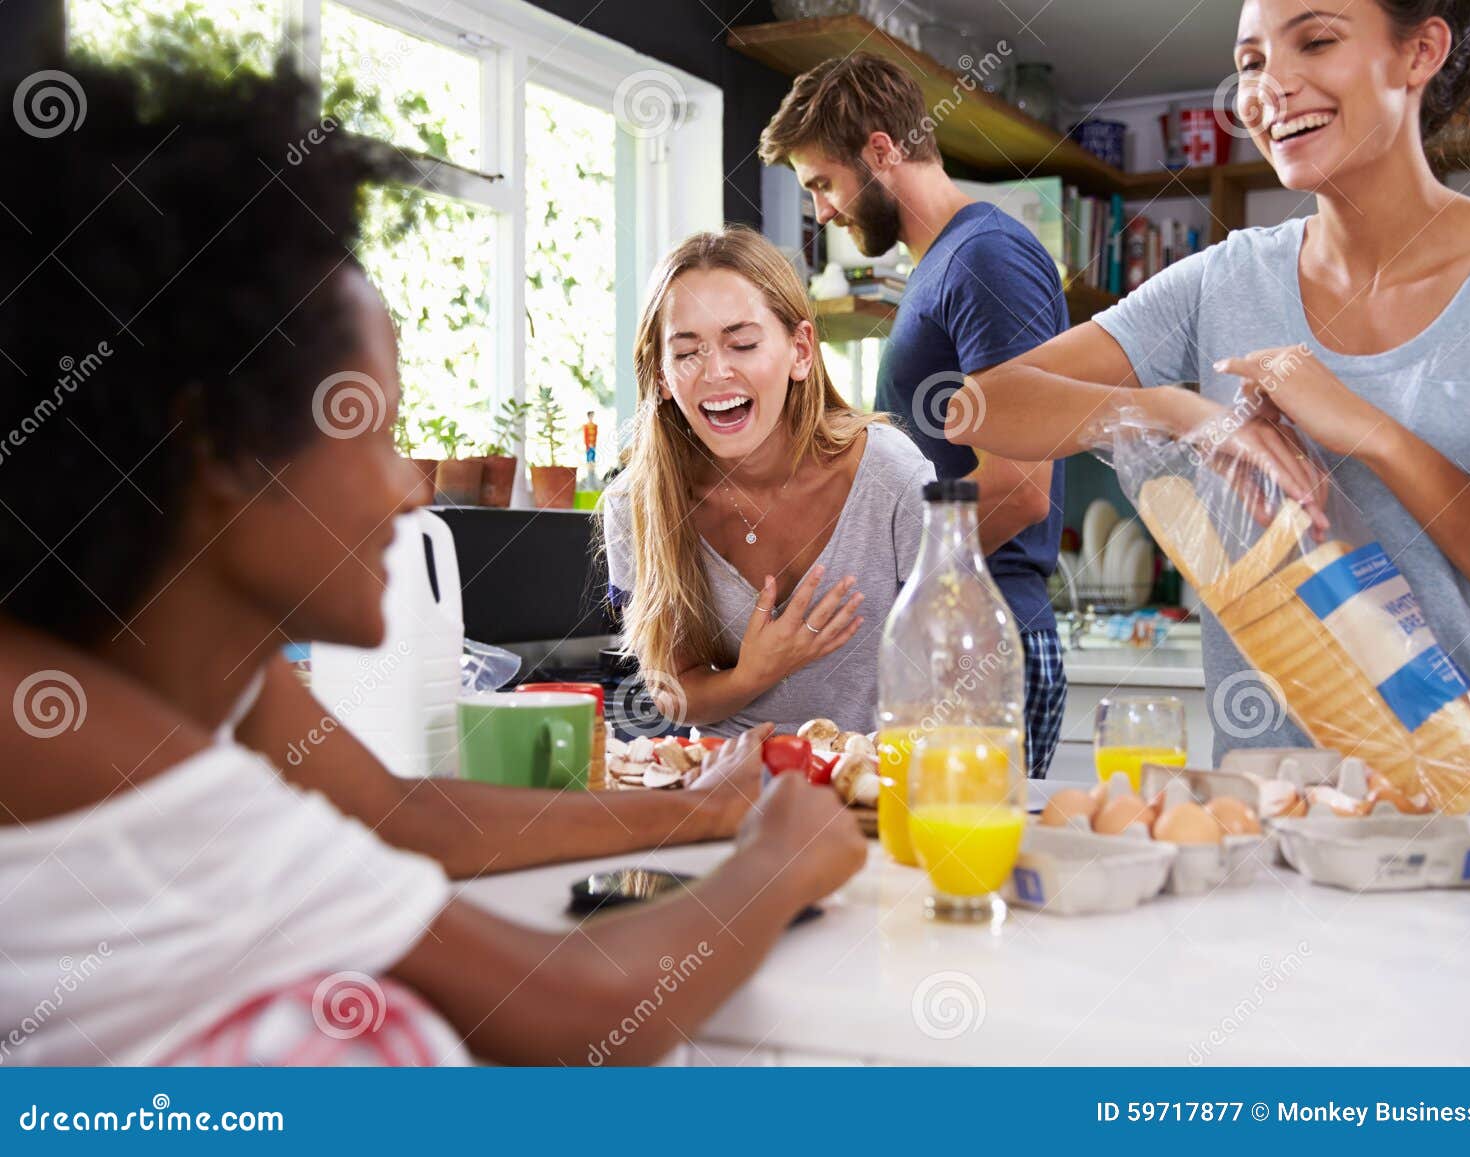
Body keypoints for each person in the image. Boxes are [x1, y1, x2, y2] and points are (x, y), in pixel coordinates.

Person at [0, 55, 865, 1065]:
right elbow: (569, 1008)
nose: (409, 489)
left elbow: (399, 811)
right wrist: (772, 862)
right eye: (373, 433)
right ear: (225, 446)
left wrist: (703, 806)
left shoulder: (173, 669)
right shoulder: (90, 747)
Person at [940, 0, 1470, 761]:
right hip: (1278, 809)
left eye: (1315, 41)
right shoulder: (1222, 283)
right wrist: (1179, 412)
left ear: (1420, 53)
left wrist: (1372, 433)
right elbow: (976, 406)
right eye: (1251, 62)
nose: (1269, 87)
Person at [759, 54, 1070, 777]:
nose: (822, 212)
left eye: (823, 184)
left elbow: (1022, 486)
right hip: (951, 643)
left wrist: (876, 576)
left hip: (982, 645)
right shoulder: (940, 265)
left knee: (962, 879)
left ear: (879, 151)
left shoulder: (986, 258)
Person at [604, 228, 934, 736]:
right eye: (687, 352)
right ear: (664, 377)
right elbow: (673, 693)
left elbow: (955, 668)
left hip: (870, 795)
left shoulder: (892, 475)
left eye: (742, 343)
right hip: (722, 793)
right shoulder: (636, 503)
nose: (715, 372)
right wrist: (757, 672)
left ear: (800, 351)